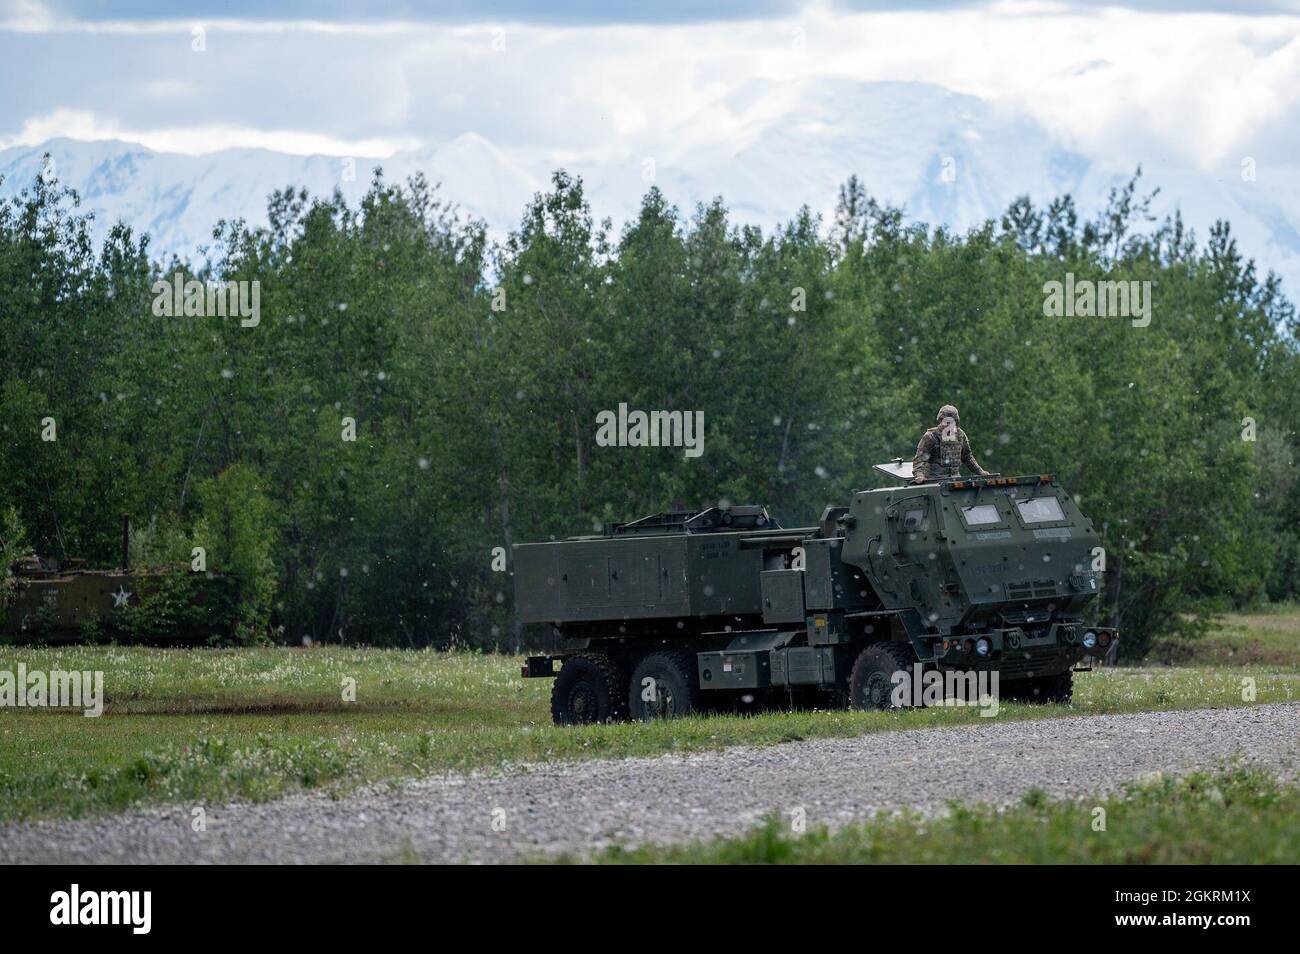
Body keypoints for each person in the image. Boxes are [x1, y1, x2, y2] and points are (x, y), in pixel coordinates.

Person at [912, 404, 989, 483]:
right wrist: (919, 475)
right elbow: (919, 459)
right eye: (946, 422)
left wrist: (980, 471)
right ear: (940, 421)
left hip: (955, 479)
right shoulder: (931, 436)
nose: (949, 425)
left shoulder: (960, 435)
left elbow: (967, 457)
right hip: (935, 480)